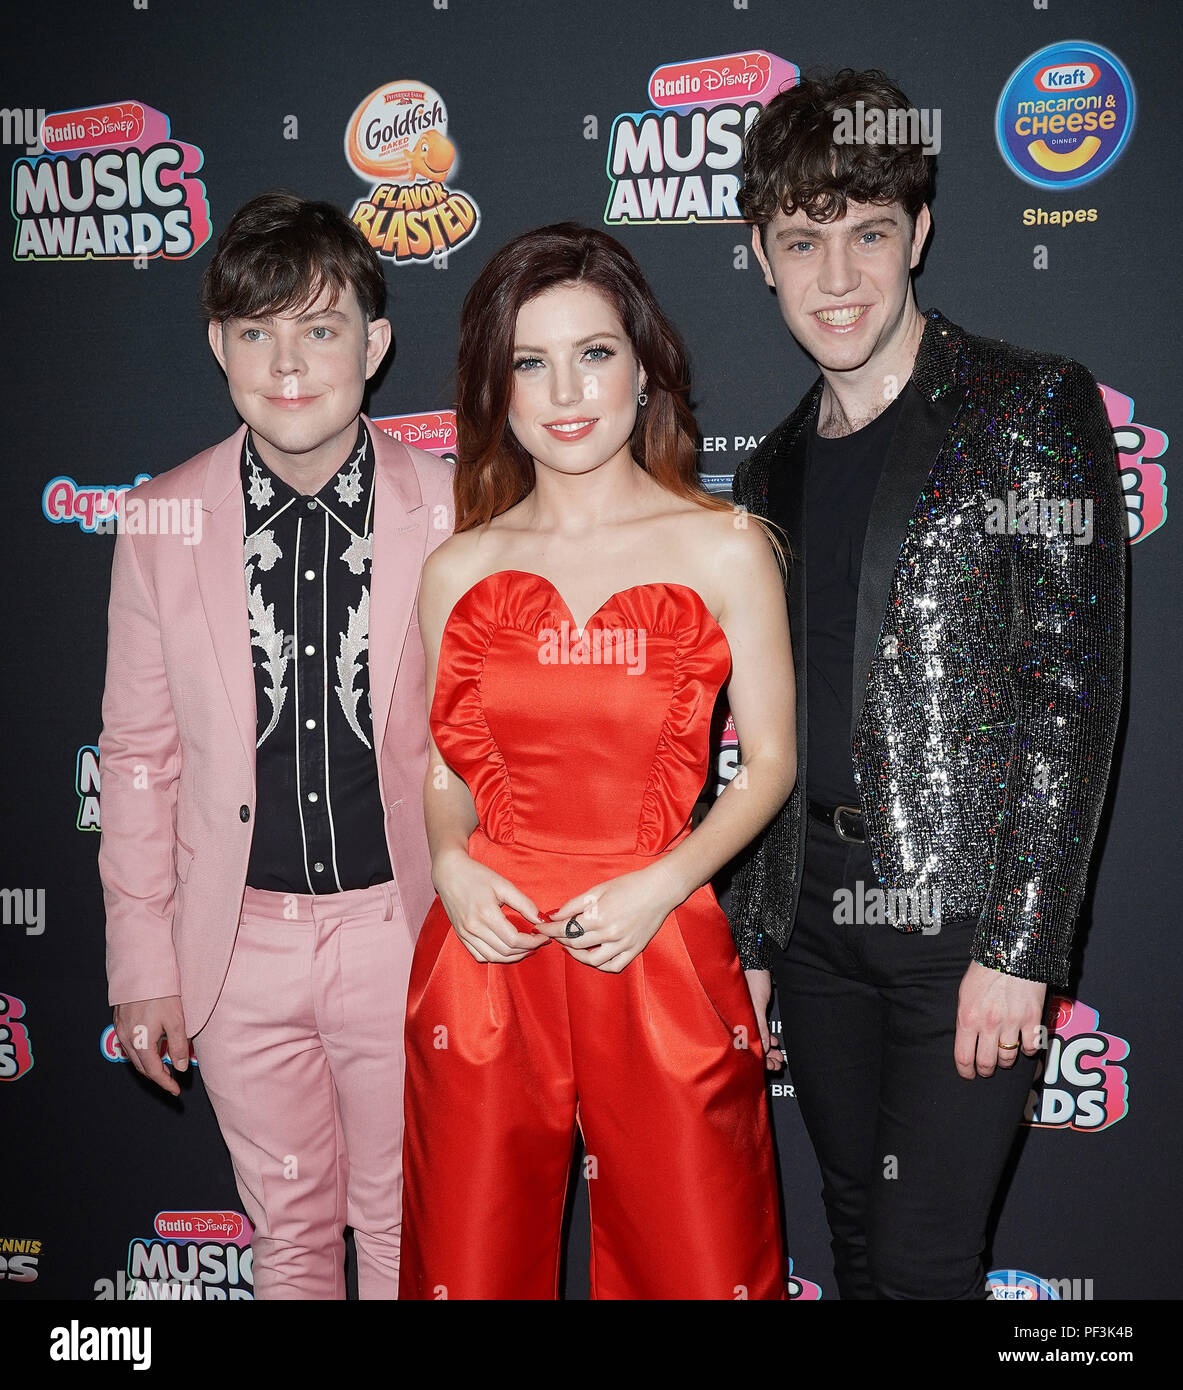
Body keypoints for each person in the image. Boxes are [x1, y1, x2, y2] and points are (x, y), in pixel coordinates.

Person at [725, 69, 1126, 1299]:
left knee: (922, 1259)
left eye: (868, 235)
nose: (836, 277)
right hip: (815, 923)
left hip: (961, 921)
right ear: (761, 252)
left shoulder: (1026, 405)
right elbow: (765, 731)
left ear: (920, 234)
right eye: (803, 242)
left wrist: (1020, 942)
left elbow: (1072, 693)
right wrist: (753, 933)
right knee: (851, 1233)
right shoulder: (773, 470)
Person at [397, 222, 795, 1300]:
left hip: (659, 936)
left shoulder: (725, 545)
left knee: (698, 1259)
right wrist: (451, 861)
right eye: (531, 360)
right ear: (497, 386)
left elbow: (768, 763)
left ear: (644, 366)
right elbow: (445, 767)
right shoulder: (459, 567)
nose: (565, 389)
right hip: (487, 945)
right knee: (467, 1268)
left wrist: (664, 881)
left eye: (594, 352)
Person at [98, 191, 454, 1298]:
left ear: (374, 344)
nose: (287, 362)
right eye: (256, 331)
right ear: (219, 347)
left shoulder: (455, 510)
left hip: (402, 931)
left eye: (319, 326)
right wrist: (141, 963)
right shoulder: (159, 520)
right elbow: (136, 755)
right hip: (235, 948)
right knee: (288, 1235)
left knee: (406, 1226)